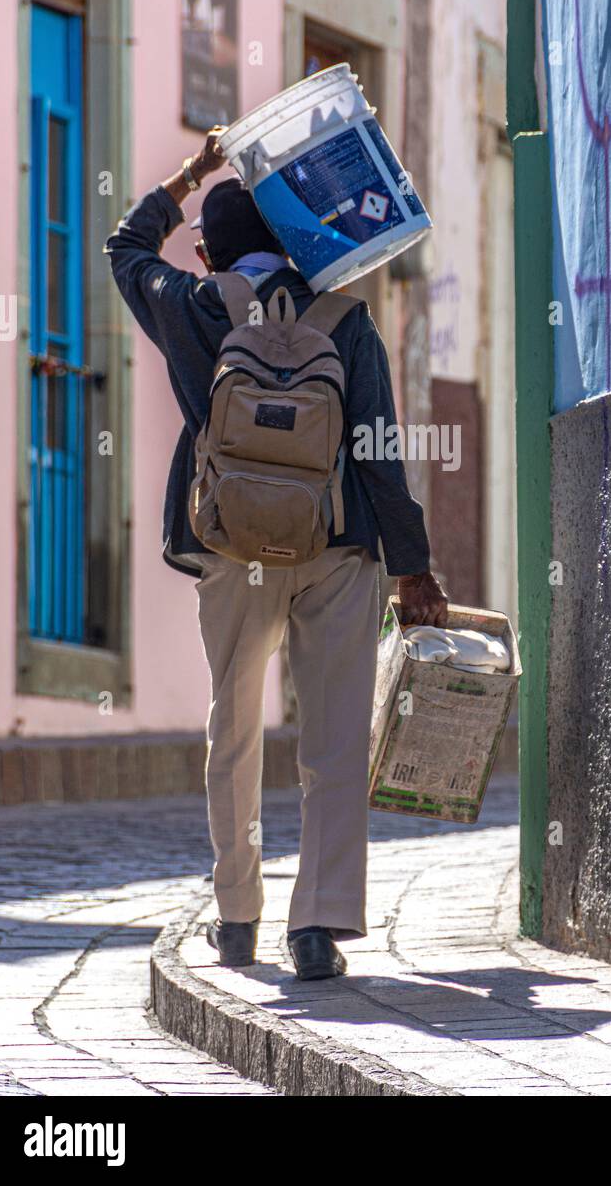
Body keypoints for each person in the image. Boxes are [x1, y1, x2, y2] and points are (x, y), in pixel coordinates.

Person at [105, 127, 448, 979]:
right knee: (331, 738)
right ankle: (317, 927)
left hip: (229, 548)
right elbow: (376, 447)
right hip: (337, 548)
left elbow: (124, 246)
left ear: (213, 248)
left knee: (235, 727)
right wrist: (412, 566)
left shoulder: (187, 305)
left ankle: (236, 916)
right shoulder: (346, 317)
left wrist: (191, 171)